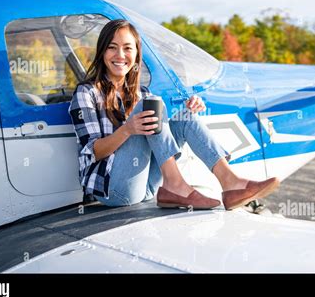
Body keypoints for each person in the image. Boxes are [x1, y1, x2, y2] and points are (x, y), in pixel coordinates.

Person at [69, 19, 280, 210]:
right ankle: (176, 185)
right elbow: (93, 152)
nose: (120, 55)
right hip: (113, 191)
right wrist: (127, 130)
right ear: (102, 52)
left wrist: (187, 112)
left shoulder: (142, 94)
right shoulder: (87, 93)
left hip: (147, 187)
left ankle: (231, 183)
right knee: (151, 106)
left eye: (127, 48)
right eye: (112, 48)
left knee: (184, 118)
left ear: (136, 56)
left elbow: (161, 138)